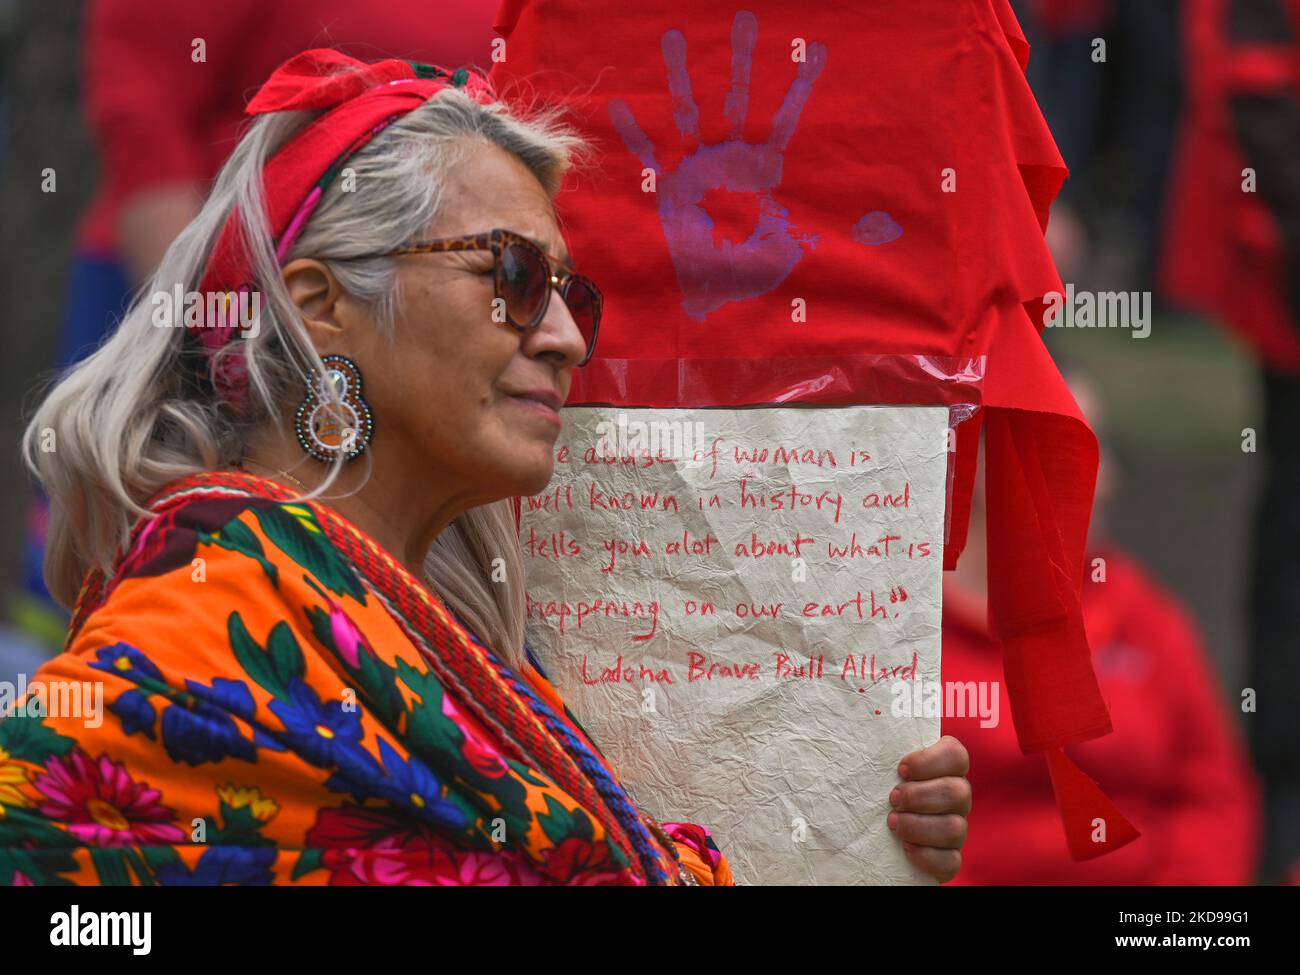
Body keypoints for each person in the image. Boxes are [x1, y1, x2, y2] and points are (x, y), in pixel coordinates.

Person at [0, 49, 971, 886]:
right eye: (510, 277)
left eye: (569, 297)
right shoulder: (184, 652)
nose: (563, 341)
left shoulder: (457, 654)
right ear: (319, 304)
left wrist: (857, 836)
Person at [942, 367, 1260, 884]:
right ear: (980, 468)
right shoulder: (904, 637)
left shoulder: (1146, 616)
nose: (1106, 479)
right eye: (1068, 448)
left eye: (1102, 447)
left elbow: (1213, 795)